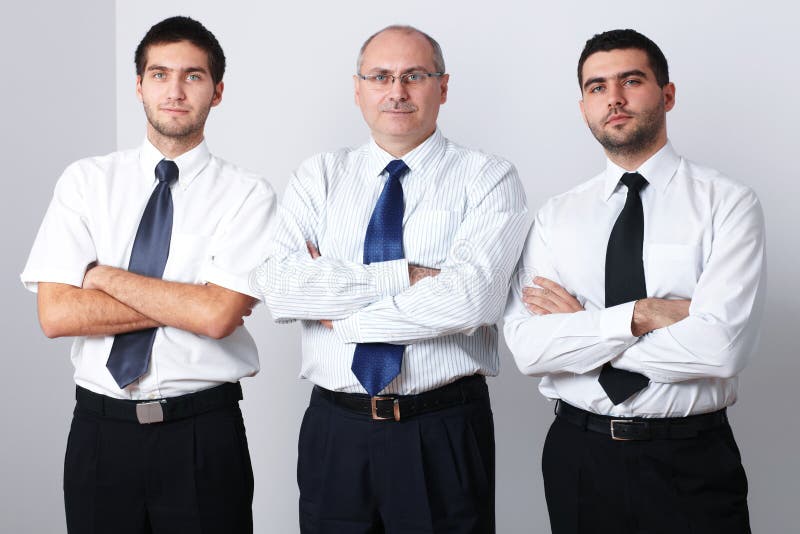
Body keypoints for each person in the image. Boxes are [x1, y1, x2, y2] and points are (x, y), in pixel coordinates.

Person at [258, 24, 528, 534]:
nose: (397, 91)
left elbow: (472, 301)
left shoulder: (488, 177)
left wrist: (340, 313)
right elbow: (280, 285)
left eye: (414, 76)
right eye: (380, 76)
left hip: (441, 430)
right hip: (336, 429)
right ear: (358, 89)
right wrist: (405, 276)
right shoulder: (320, 175)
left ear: (443, 87)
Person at [503, 29, 765, 534]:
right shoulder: (556, 217)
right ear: (583, 107)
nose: (614, 99)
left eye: (631, 80)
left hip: (691, 458)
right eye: (597, 87)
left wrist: (582, 331)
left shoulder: (728, 204)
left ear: (667, 94)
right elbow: (531, 352)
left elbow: (720, 350)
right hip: (580, 456)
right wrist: (641, 315)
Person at [20, 16, 275, 534]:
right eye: (159, 74)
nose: (175, 90)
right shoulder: (86, 182)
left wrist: (100, 276)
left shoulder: (249, 195)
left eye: (193, 76)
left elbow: (218, 315)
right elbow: (57, 313)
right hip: (99, 434)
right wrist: (188, 299)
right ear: (139, 86)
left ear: (217, 91)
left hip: (203, 434)